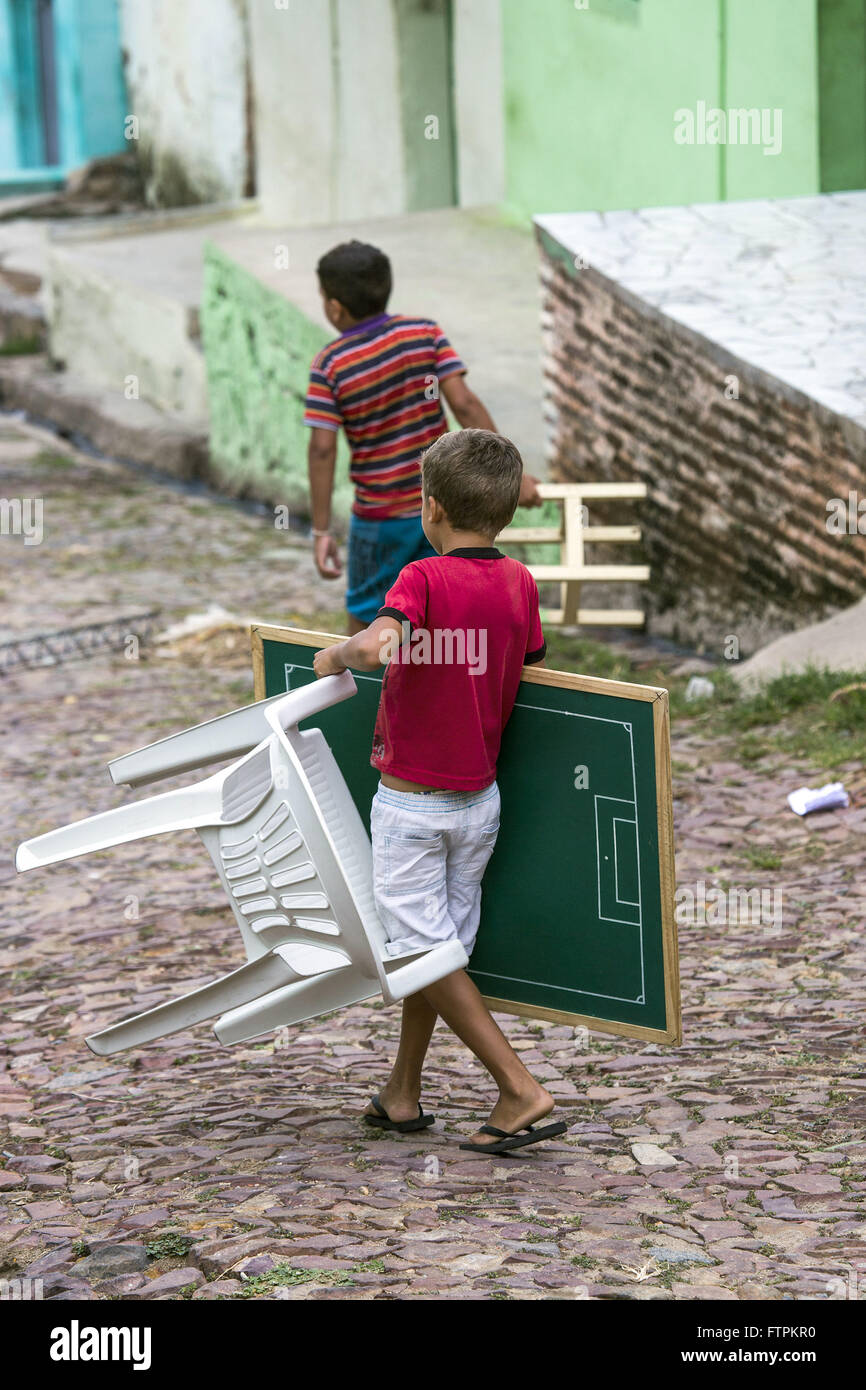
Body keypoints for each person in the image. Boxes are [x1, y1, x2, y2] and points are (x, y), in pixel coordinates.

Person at [312, 428, 566, 1155]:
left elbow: (371, 648)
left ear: (430, 509)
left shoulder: (421, 579)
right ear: (504, 512)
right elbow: (529, 662)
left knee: (423, 948)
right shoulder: (520, 582)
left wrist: (335, 653)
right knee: (441, 948)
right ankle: (402, 1091)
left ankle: (520, 1090)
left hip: (413, 807)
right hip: (479, 803)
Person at [304, 239, 540, 636]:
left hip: (379, 522)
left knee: (371, 619)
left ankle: (365, 694)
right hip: (443, 509)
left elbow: (323, 447)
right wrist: (512, 478)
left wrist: (322, 530)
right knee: (446, 616)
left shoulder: (330, 365)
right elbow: (463, 404)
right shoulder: (425, 333)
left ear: (334, 307)